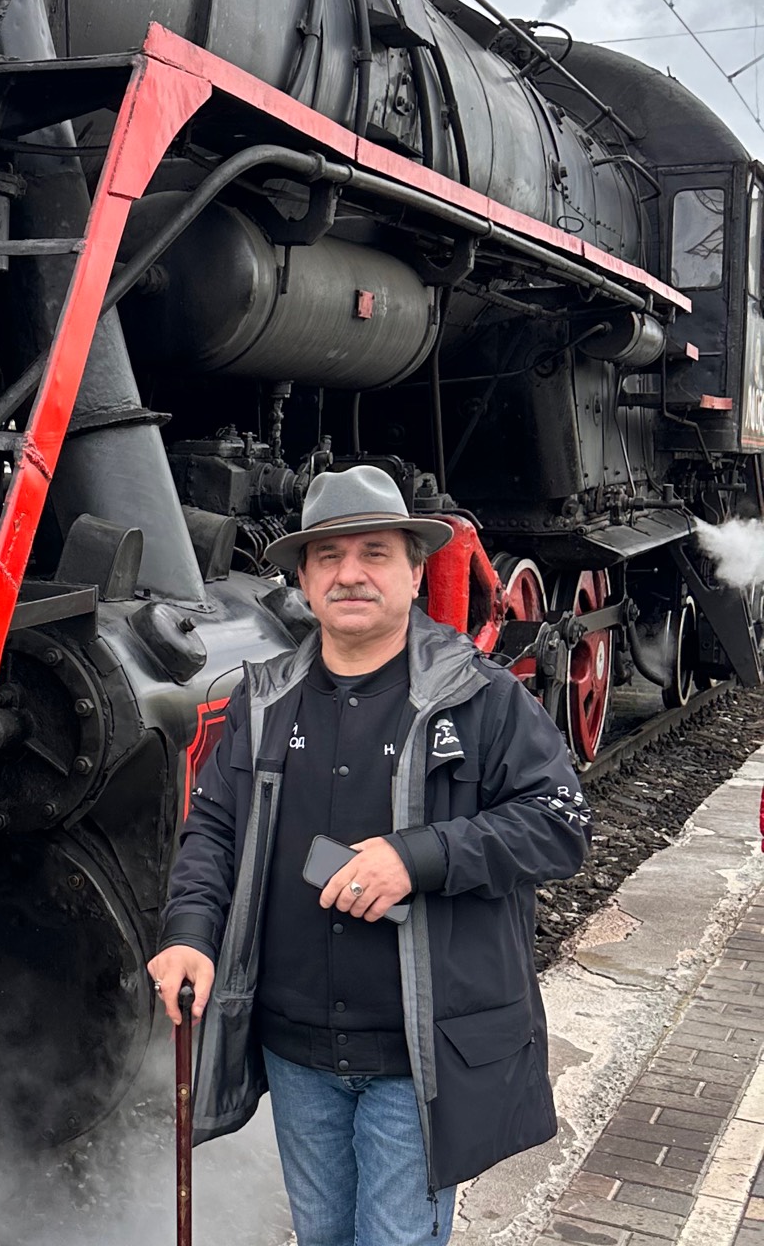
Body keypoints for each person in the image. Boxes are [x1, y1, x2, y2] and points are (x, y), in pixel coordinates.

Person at [146, 465, 591, 1246]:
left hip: (416, 1054)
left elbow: (559, 825)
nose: (351, 573)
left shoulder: (481, 698)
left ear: (415, 571)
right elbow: (214, 827)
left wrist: (416, 856)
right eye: (330, 556)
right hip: (296, 1050)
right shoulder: (260, 702)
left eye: (375, 553)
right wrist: (188, 933)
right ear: (305, 579)